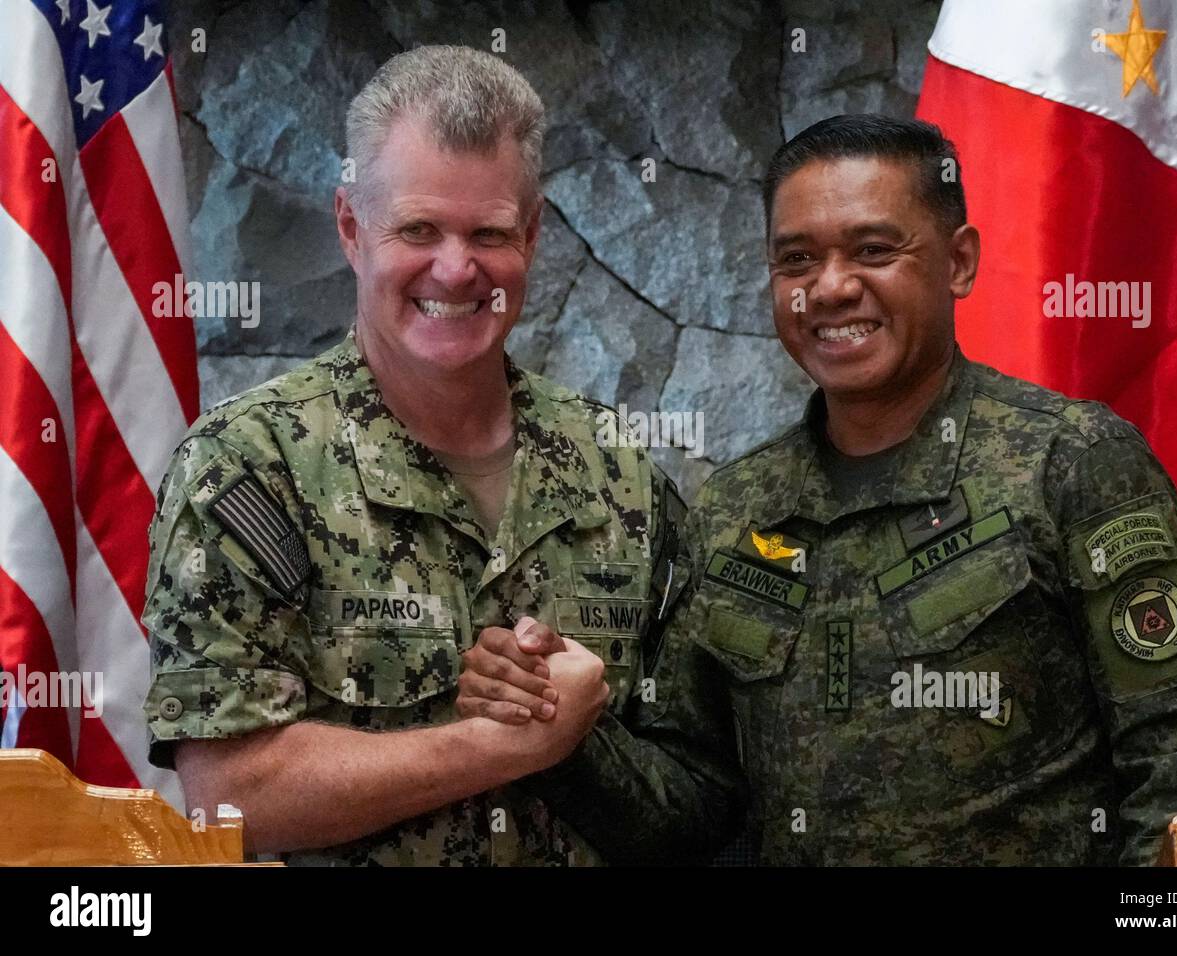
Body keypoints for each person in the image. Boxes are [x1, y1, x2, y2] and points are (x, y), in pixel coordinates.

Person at [460, 114, 1177, 866]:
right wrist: (560, 731)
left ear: (959, 261)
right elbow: (690, 810)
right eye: (796, 260)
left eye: (873, 249)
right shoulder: (737, 511)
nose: (829, 289)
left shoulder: (1070, 462)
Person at [140, 44, 741, 865]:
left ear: (530, 235)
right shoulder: (247, 469)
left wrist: (578, 738)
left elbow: (699, 805)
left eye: (489, 232)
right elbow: (235, 799)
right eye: (418, 229)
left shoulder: (621, 471)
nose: (456, 269)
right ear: (352, 227)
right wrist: (505, 743)